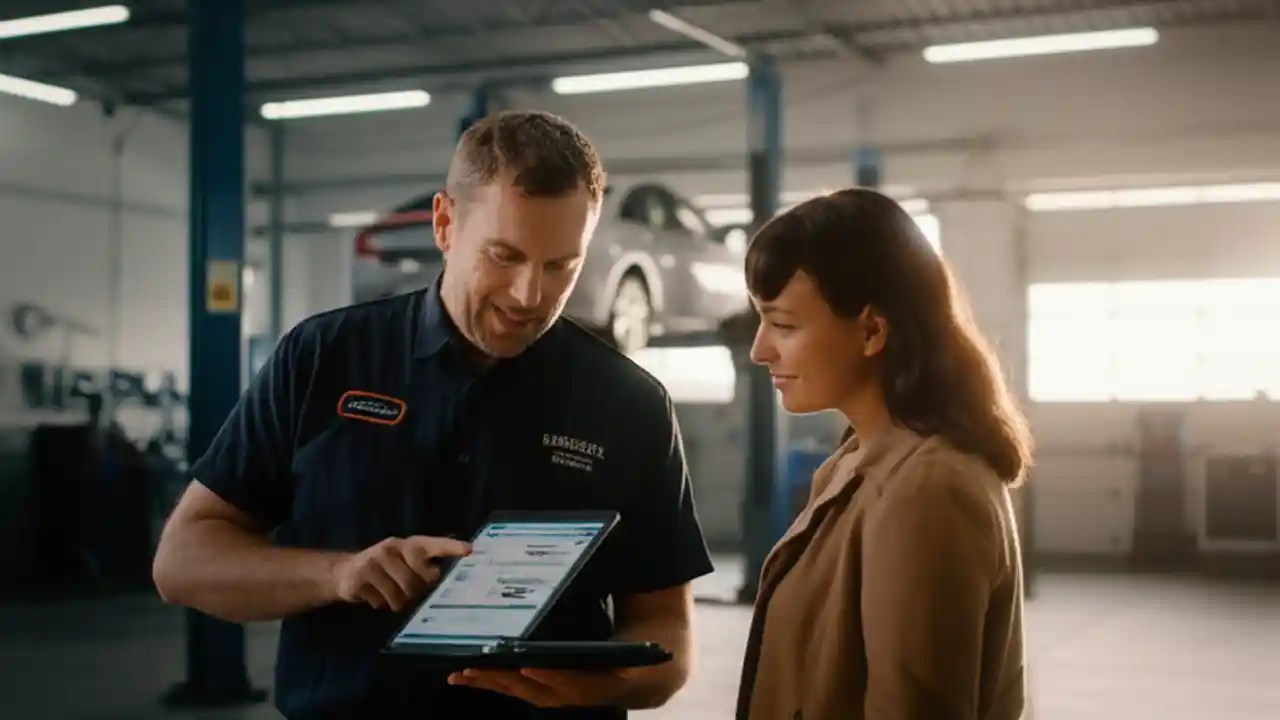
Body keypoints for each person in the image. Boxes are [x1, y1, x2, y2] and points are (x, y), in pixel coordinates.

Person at [152, 110, 715, 720]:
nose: (530, 295)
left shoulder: (631, 403)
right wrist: (338, 574)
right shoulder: (324, 358)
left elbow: (667, 632)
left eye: (561, 266)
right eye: (505, 255)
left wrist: (610, 686)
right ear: (445, 225)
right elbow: (183, 563)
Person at [734, 188, 1034, 720]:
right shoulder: (853, 464)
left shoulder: (929, 488)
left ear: (873, 329)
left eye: (784, 325)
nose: (760, 350)